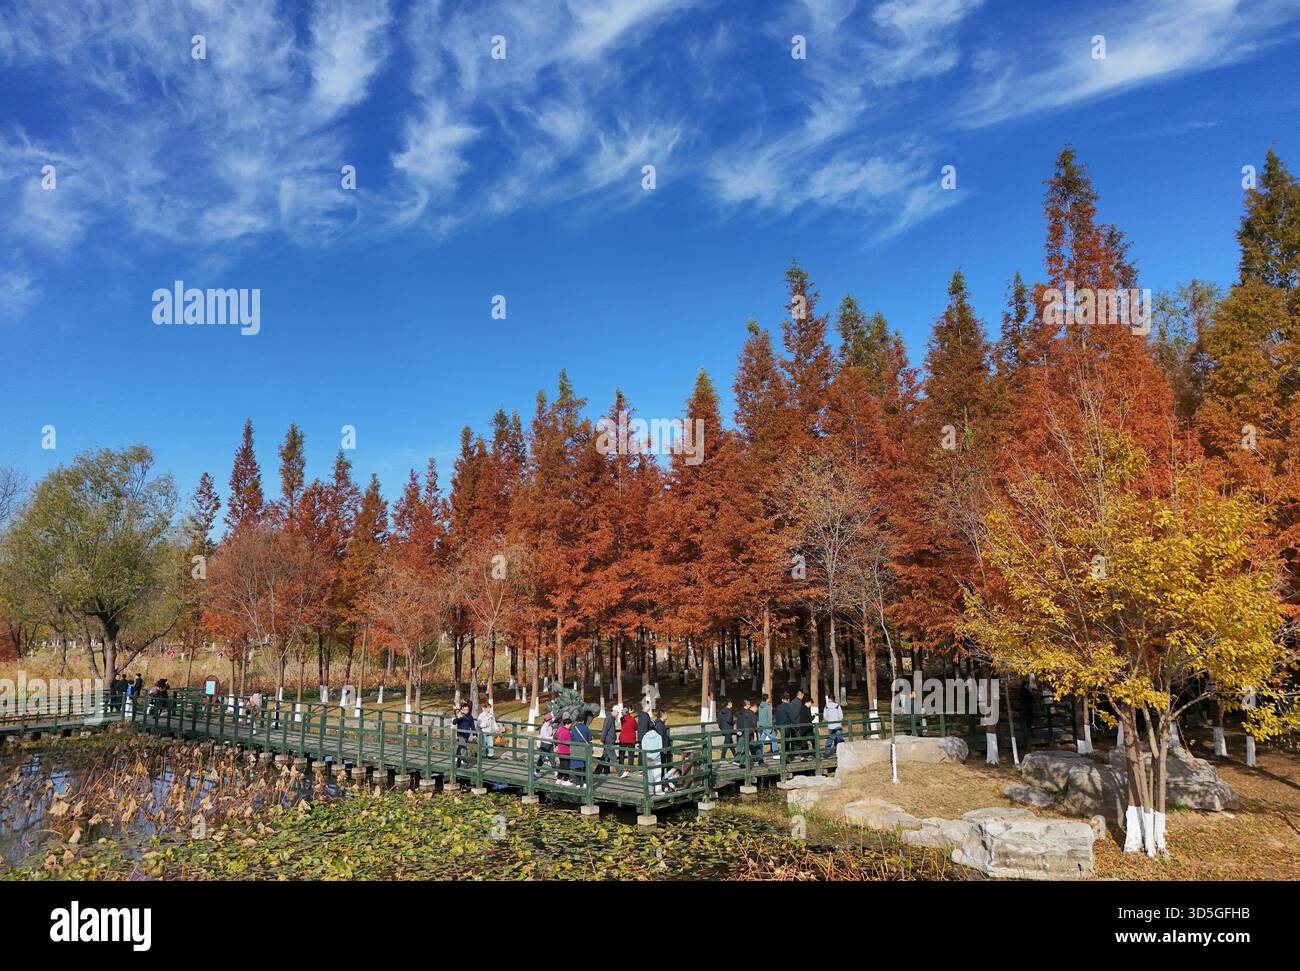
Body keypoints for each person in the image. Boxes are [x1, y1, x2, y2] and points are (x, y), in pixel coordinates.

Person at [569, 712, 593, 785]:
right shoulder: (586, 728)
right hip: (584, 748)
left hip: (575, 748)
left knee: (577, 767)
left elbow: (571, 738)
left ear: (577, 720)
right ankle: (585, 783)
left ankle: (578, 784)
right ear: (583, 721)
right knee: (585, 766)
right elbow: (589, 738)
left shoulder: (573, 728)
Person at [641, 722, 664, 793]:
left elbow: (643, 747)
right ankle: (658, 790)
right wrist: (654, 756)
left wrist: (649, 756)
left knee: (649, 774)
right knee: (657, 773)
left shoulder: (644, 736)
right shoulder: (658, 736)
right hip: (656, 758)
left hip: (648, 757)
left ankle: (650, 790)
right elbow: (660, 747)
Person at [599, 705, 621, 775]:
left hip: (609, 740)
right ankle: (620, 772)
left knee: (604, 758)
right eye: (617, 712)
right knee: (613, 757)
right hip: (608, 741)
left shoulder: (611, 718)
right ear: (614, 711)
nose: (618, 714)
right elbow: (605, 729)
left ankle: (596, 773)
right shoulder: (609, 718)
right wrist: (602, 739)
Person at [737, 699, 759, 765]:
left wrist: (738, 729)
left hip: (744, 731)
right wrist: (754, 733)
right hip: (746, 731)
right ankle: (739, 760)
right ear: (746, 705)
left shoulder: (742, 712)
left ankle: (754, 759)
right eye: (748, 704)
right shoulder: (746, 712)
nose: (749, 705)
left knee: (745, 746)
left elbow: (739, 721)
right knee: (744, 746)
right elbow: (749, 723)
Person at [618, 706, 638, 776]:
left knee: (621, 753)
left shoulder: (621, 719)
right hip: (631, 738)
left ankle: (621, 767)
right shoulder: (632, 719)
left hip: (623, 738)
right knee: (631, 754)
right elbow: (636, 727)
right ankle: (631, 768)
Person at [555, 717, 573, 785]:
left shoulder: (560, 729)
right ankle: (566, 780)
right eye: (570, 724)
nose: (570, 726)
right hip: (565, 751)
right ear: (567, 724)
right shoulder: (566, 732)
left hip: (560, 749)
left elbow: (557, 735)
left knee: (561, 765)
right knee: (566, 765)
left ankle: (559, 779)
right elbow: (569, 741)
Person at [774, 691, 793, 757]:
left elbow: (776, 717)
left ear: (782, 699)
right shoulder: (789, 707)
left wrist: (777, 726)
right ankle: (787, 755)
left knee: (783, 740)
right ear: (788, 700)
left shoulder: (778, 707)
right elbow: (791, 717)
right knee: (787, 740)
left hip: (780, 726)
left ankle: (784, 754)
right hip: (787, 725)